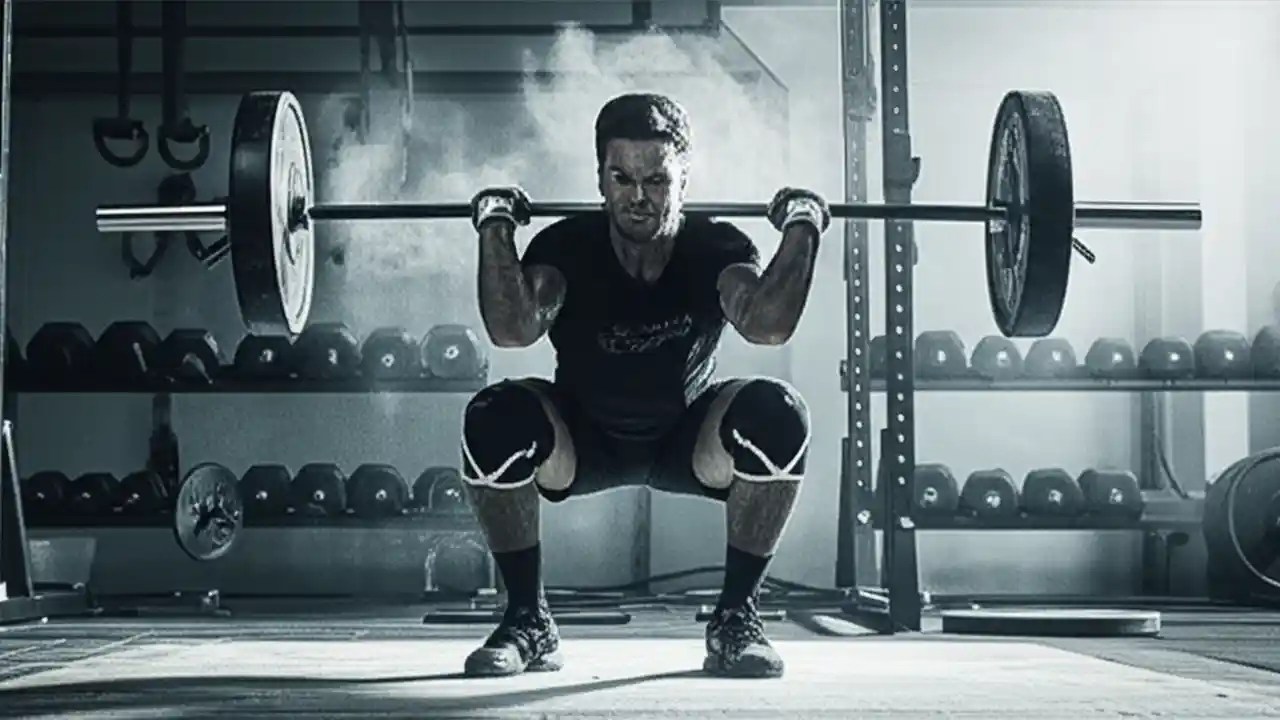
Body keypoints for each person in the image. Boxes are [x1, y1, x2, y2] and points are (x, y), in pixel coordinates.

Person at [460, 92, 827, 679]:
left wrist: (805, 226)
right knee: (492, 416)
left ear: (684, 177)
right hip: (580, 440)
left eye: (656, 180)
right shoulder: (565, 248)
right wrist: (495, 226)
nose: (637, 196)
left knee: (777, 413)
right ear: (600, 179)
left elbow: (767, 325)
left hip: (687, 438)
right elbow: (511, 331)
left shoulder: (716, 248)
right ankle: (527, 619)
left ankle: (736, 619)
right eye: (621, 178)